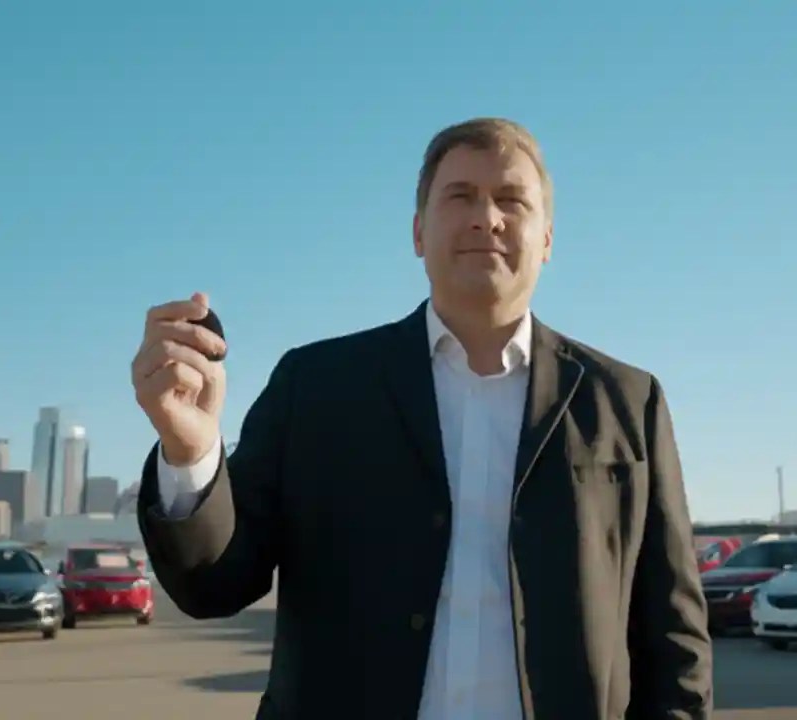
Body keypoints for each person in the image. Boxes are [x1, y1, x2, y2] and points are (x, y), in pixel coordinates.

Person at [131, 117, 713, 719]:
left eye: (512, 200)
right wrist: (191, 452)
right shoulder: (316, 387)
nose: (486, 217)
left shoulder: (626, 402)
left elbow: (674, 641)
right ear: (418, 231)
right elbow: (214, 584)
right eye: (460, 196)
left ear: (546, 240)